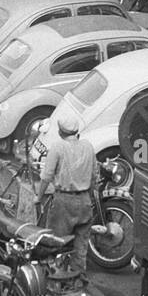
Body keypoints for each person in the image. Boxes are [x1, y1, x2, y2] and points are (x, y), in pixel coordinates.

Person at [35, 111, 97, 280]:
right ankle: (78, 281)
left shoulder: (58, 147)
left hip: (64, 202)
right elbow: (94, 177)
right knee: (81, 247)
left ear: (61, 132)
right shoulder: (88, 146)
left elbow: (47, 176)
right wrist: (87, 197)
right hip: (84, 201)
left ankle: (54, 281)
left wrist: (39, 197)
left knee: (54, 244)